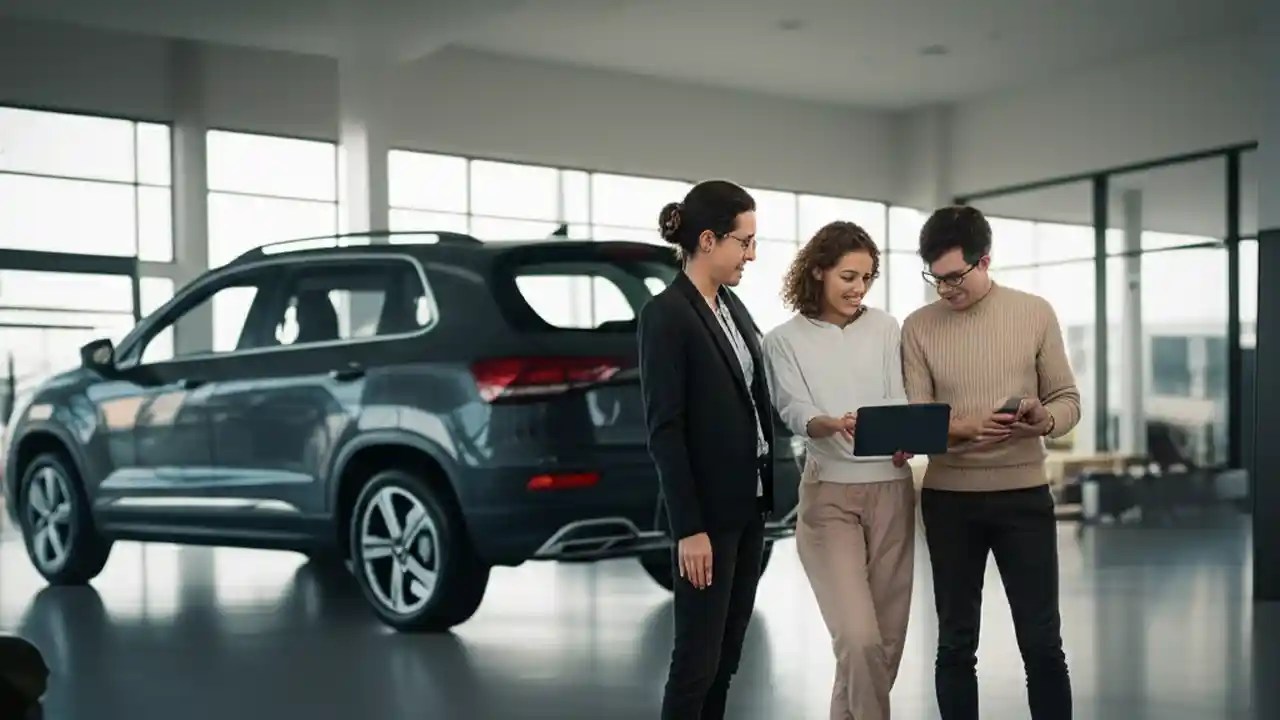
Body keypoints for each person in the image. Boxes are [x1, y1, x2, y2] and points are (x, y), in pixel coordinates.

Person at [900, 205, 1080, 720]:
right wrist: (965, 427)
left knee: (1042, 642)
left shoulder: (1034, 313)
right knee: (955, 643)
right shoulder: (917, 328)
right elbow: (917, 420)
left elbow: (1068, 399)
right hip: (948, 500)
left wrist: (1043, 418)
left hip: (1023, 496)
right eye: (935, 279)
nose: (945, 290)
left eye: (955, 277)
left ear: (985, 261)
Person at [761, 221, 915, 720]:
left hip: (892, 491)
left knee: (883, 645)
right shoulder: (784, 340)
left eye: (867, 277)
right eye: (848, 275)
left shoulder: (886, 327)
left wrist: (903, 439)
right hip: (829, 497)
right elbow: (790, 407)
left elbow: (896, 398)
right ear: (819, 270)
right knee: (858, 637)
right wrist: (824, 423)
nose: (858, 288)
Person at [637, 179, 775, 720]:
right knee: (695, 661)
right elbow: (665, 431)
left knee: (727, 657)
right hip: (708, 520)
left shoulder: (733, 307)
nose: (753, 253)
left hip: (748, 508)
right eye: (746, 242)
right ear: (710, 239)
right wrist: (688, 528)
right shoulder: (666, 315)